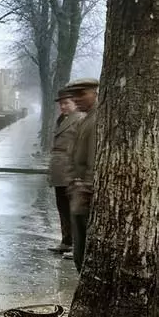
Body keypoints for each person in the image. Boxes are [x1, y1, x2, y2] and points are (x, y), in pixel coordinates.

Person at [64, 78, 99, 272]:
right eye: (74, 95)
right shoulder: (85, 118)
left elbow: (94, 157)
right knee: (80, 245)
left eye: (81, 94)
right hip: (79, 189)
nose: (76, 99)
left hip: (86, 192)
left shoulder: (96, 120)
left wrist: (87, 186)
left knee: (84, 246)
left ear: (95, 93)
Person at [48, 87, 84, 255]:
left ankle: (77, 246)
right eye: (61, 104)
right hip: (59, 171)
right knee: (62, 208)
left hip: (71, 170)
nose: (63, 107)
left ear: (75, 103)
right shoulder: (62, 119)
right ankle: (66, 241)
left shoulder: (80, 119)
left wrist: (78, 173)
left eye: (66, 103)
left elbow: (82, 147)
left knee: (74, 210)